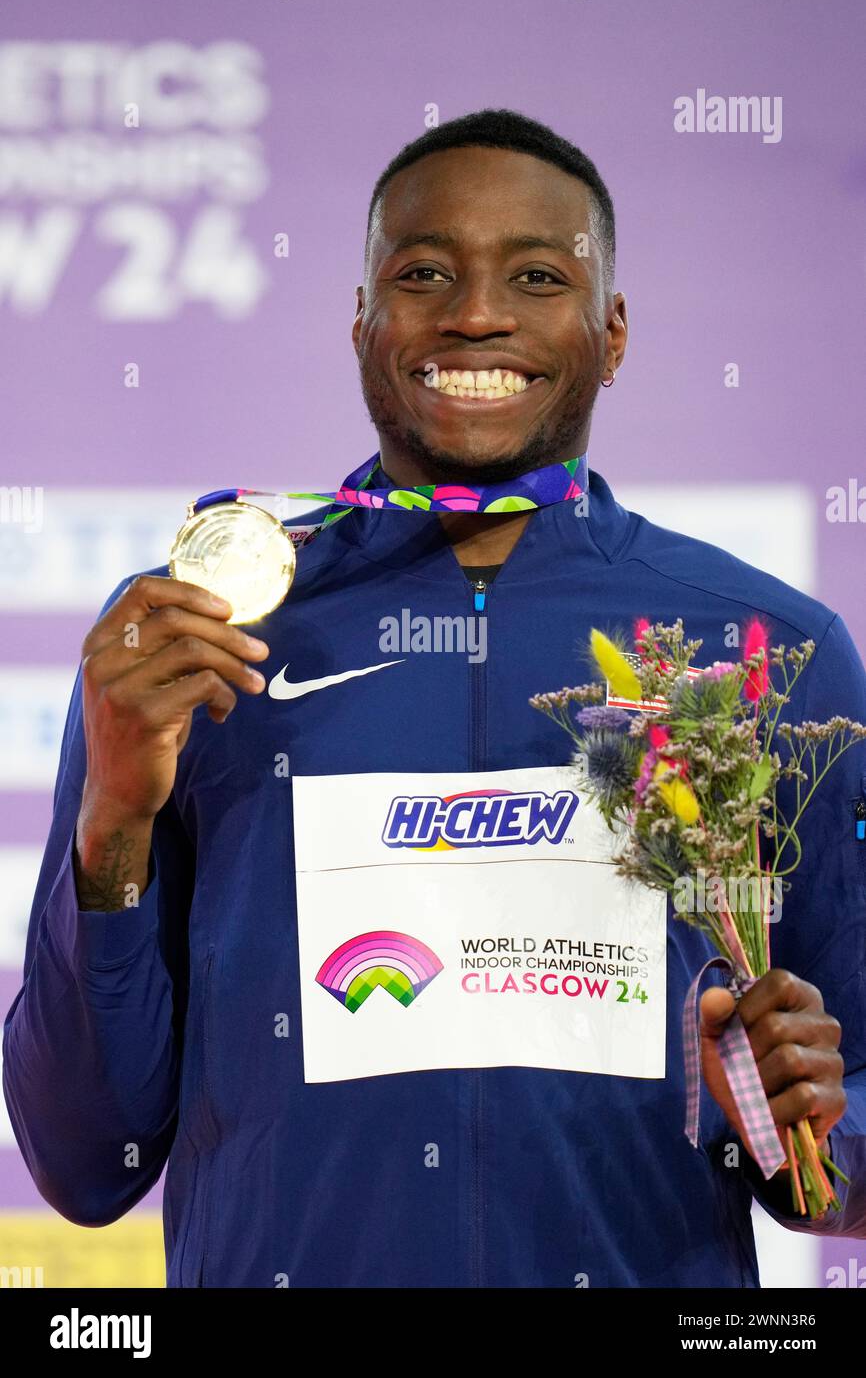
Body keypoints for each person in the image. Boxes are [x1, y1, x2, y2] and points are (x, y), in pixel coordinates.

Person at [4, 109, 865, 1288]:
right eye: (421, 273)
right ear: (360, 324)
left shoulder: (765, 652)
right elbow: (83, 1161)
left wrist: (804, 1129)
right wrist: (110, 824)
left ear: (610, 334)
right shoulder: (193, 645)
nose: (473, 312)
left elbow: (844, 1118)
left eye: (535, 274)